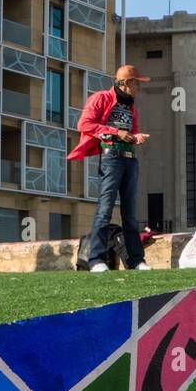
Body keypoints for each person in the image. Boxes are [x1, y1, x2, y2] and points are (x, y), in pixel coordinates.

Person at [67, 64, 152, 273]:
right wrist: (116, 132)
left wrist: (136, 137)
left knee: (130, 212)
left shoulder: (131, 107)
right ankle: (96, 258)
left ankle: (135, 260)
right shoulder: (101, 98)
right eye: (136, 83)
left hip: (130, 158)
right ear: (124, 83)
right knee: (105, 209)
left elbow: (132, 131)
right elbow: (84, 124)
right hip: (111, 158)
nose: (139, 87)